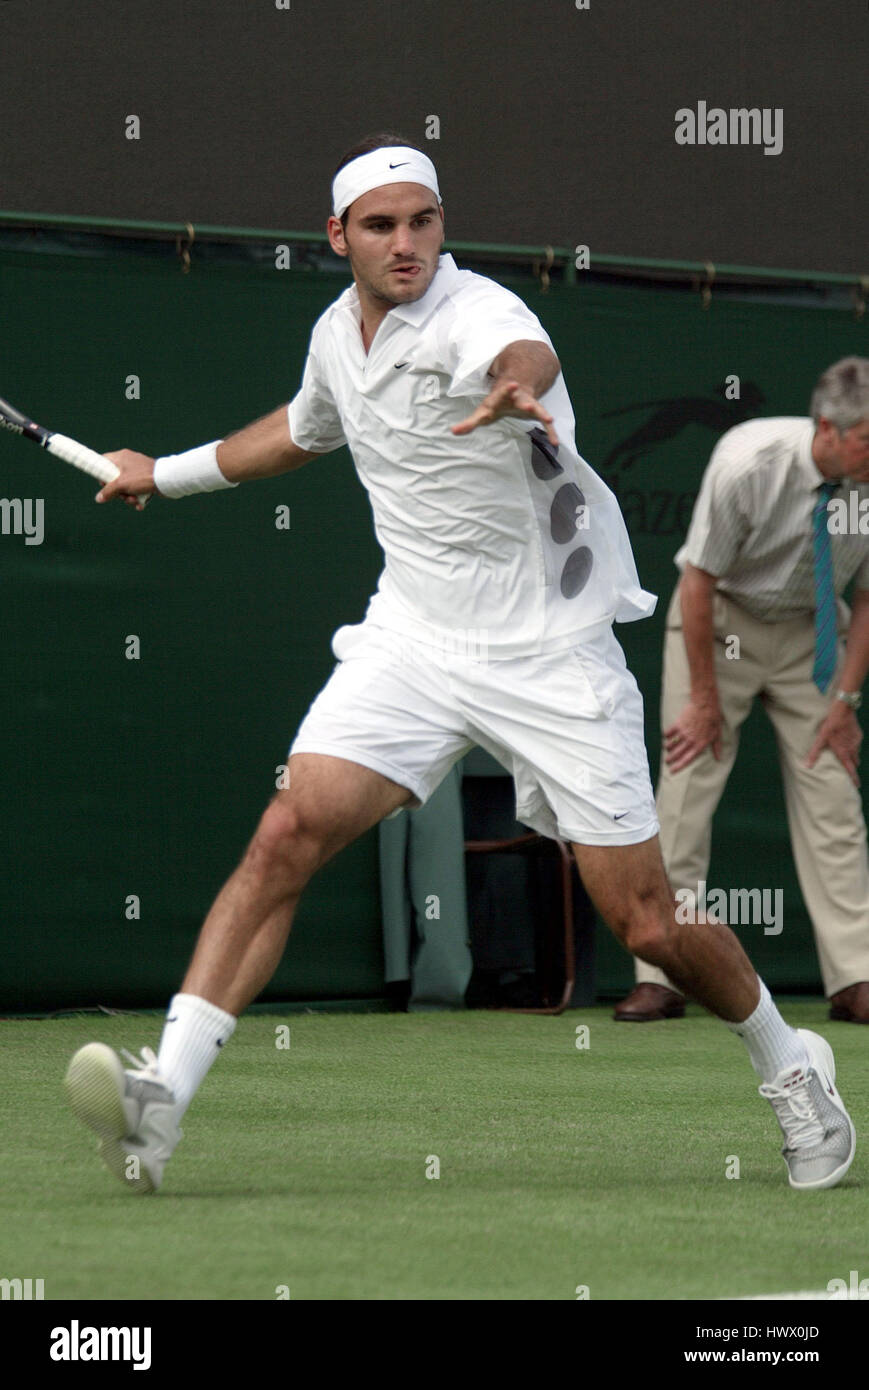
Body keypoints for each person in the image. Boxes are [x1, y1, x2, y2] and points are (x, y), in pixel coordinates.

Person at [64, 134, 855, 1195]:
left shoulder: (481, 315)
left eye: (422, 222)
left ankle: (787, 1059)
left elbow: (522, 352)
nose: (405, 244)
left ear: (443, 227)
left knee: (648, 922)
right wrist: (158, 472)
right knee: (286, 829)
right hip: (414, 640)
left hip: (547, 650)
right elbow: (301, 432)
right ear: (336, 237)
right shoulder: (334, 338)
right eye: (380, 225)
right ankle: (162, 1097)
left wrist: (515, 388)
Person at [616, 358, 869, 1023]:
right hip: (719, 624)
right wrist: (703, 701)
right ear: (828, 429)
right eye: (868, 438)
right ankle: (661, 972)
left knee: (834, 795)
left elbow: (868, 597)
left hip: (811, 635)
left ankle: (855, 980)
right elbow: (696, 583)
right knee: (686, 783)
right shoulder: (746, 461)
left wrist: (843, 703)